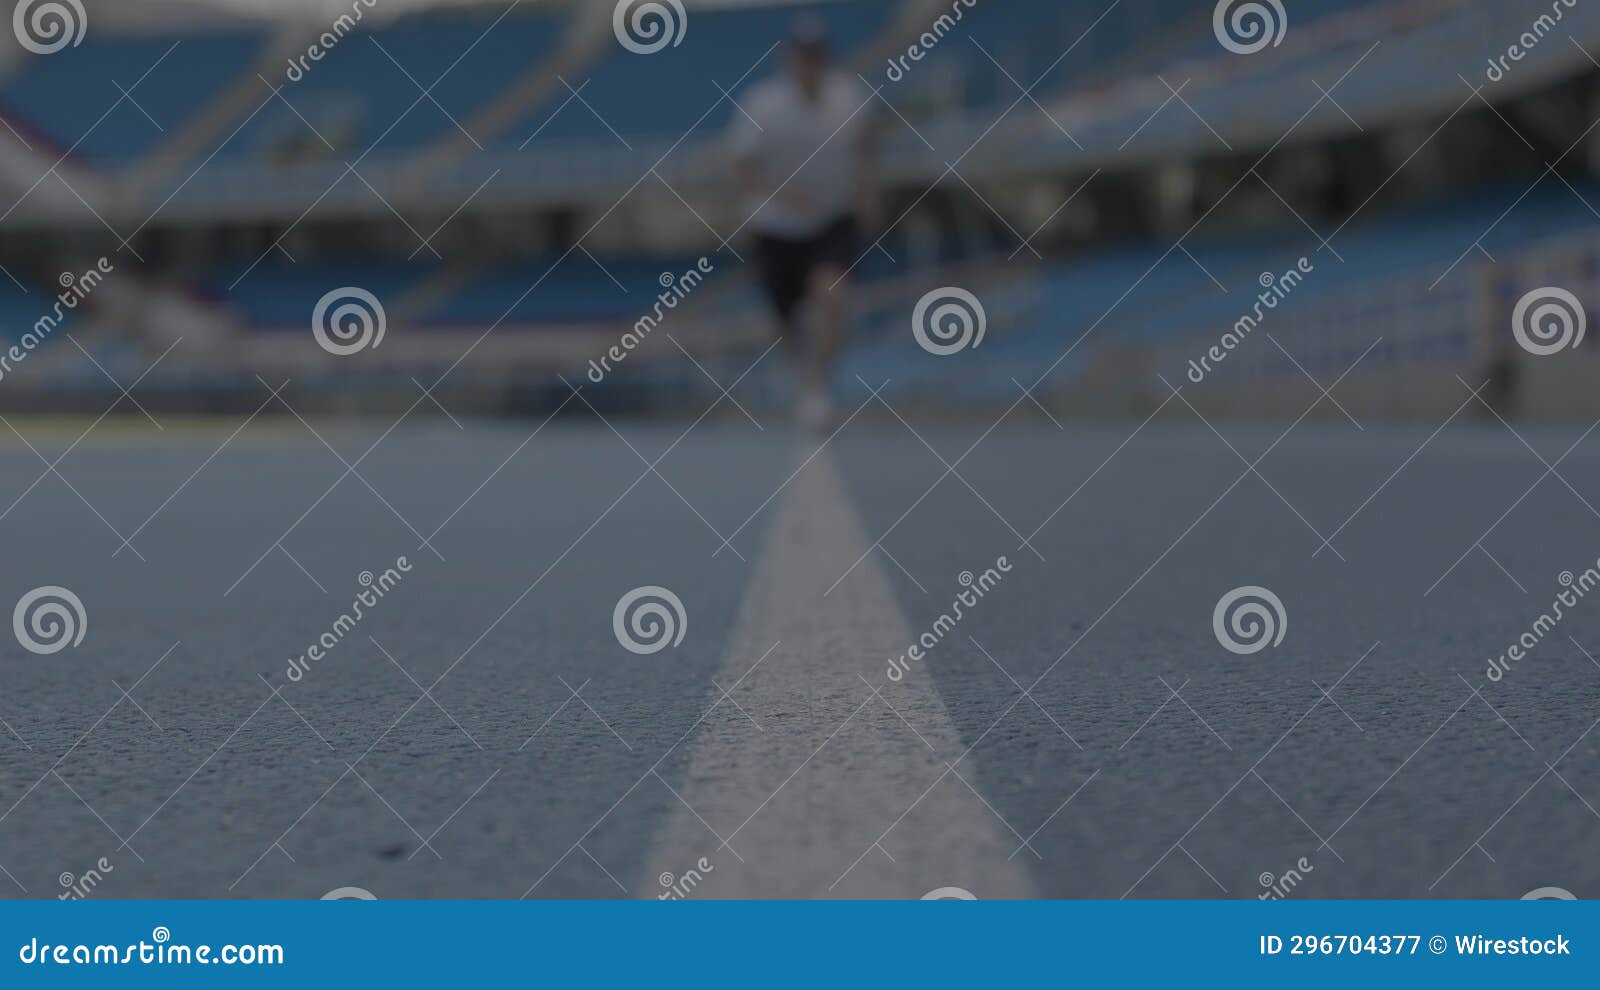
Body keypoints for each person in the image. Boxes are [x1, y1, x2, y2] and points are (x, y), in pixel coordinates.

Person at [726, 15, 879, 429]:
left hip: (832, 218)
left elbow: (868, 144)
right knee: (785, 318)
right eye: (802, 54)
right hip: (776, 226)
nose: (809, 63)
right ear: (789, 57)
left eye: (816, 54)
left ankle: (819, 387)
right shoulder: (762, 104)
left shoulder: (849, 97)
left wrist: (865, 193)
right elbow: (742, 166)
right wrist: (783, 195)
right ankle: (799, 374)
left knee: (831, 294)